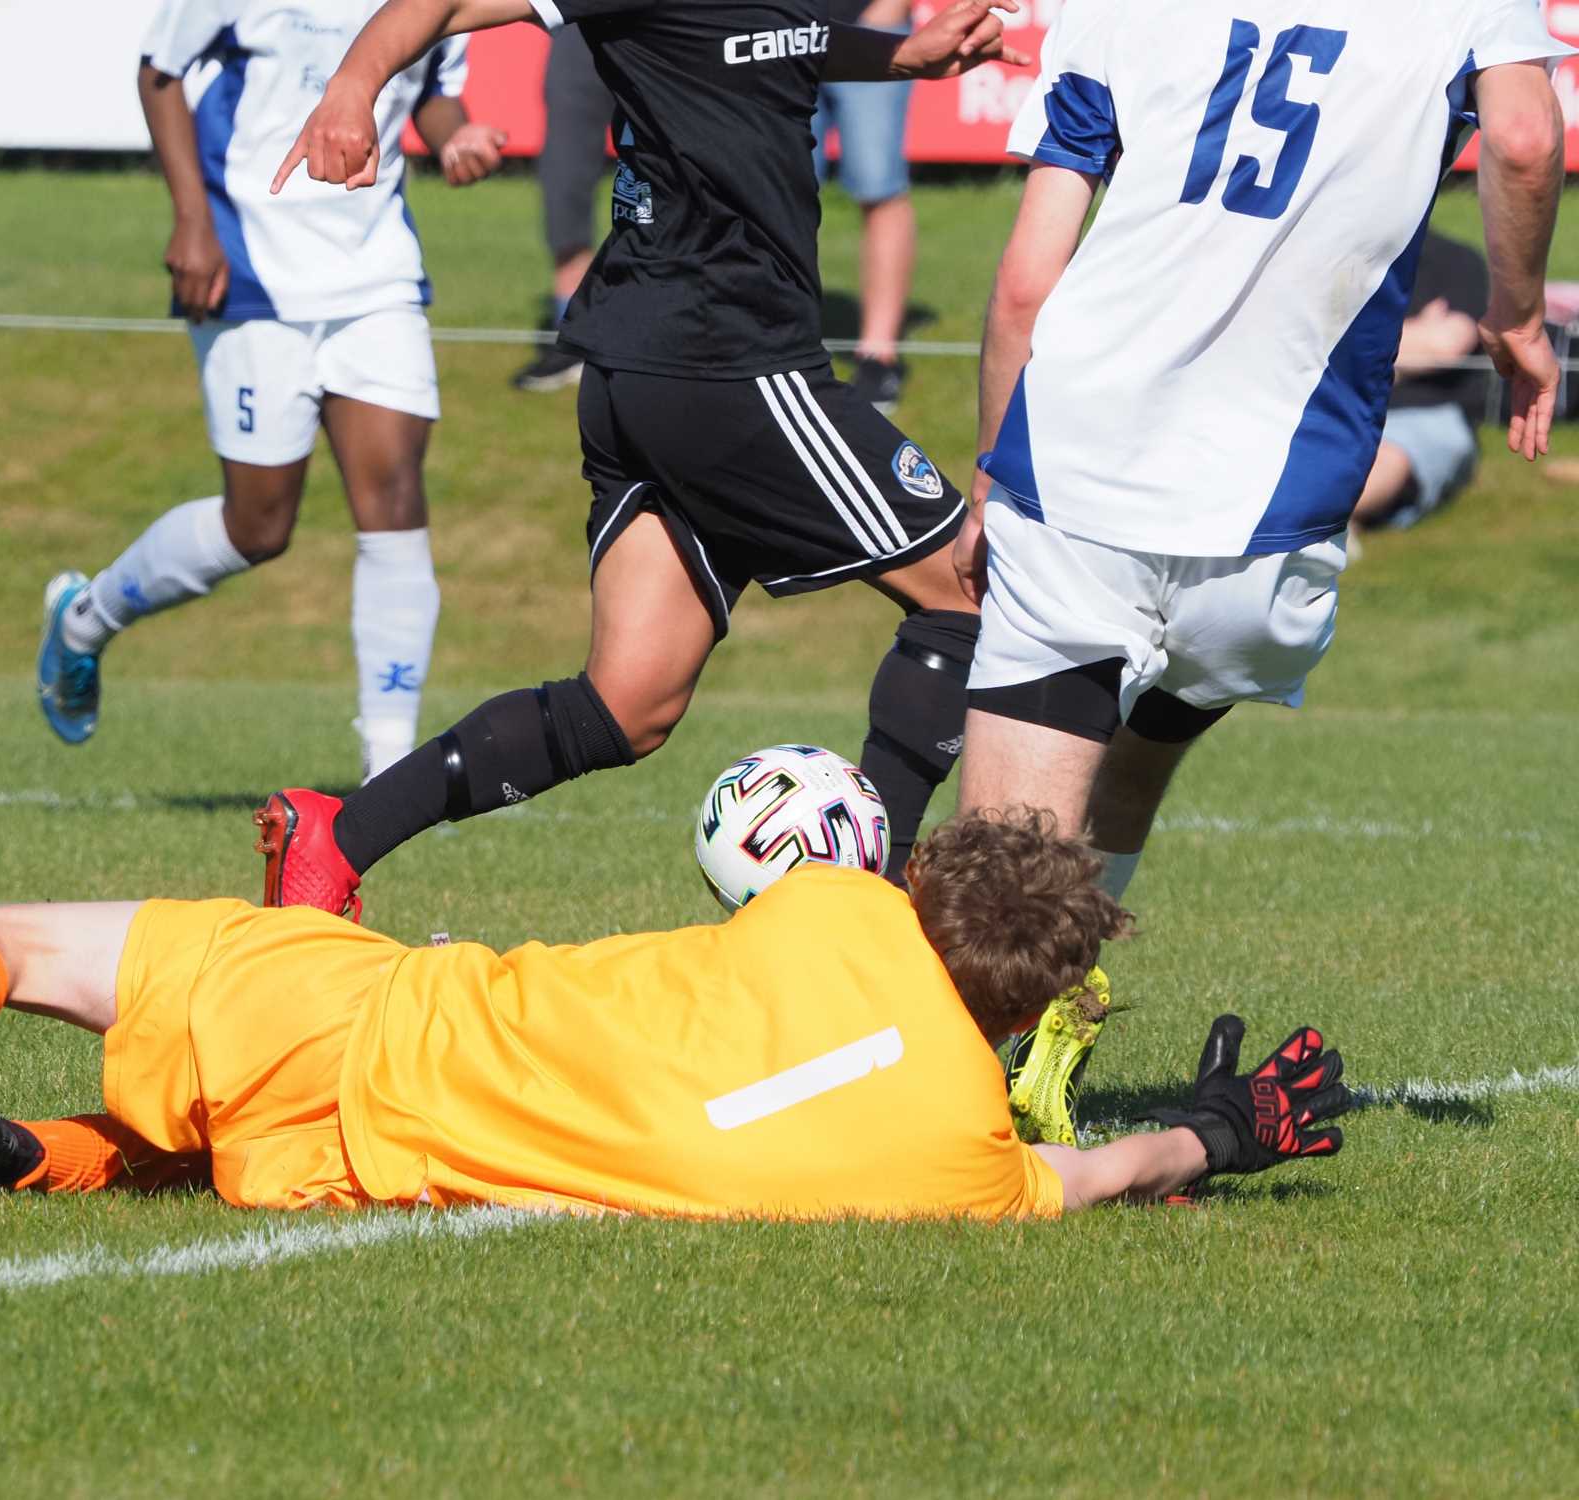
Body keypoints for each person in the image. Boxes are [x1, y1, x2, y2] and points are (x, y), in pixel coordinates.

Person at [252, 0, 1031, 930]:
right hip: (726, 361)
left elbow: (774, 43)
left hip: (649, 364)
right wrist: (352, 87)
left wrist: (903, 56)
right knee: (969, 590)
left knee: (627, 704)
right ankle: (869, 926)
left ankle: (335, 839)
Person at [0, 812, 1354, 1218]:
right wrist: (1210, 1136)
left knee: (10, 939)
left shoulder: (827, 897)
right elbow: (1078, 1184)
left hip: (372, 1006)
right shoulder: (957, 1163)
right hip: (369, 1164)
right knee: (162, 1170)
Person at [951, 0, 1570, 1091]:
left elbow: (1020, 281)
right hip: (1269, 511)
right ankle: (1057, 1034)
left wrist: (993, 470)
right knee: (1156, 723)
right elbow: (1522, 141)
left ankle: (952, 1100)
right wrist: (1512, 314)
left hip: (1079, 465)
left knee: (1003, 868)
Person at [35, 0, 507, 782]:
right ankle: (85, 620)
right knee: (257, 526)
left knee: (394, 497)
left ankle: (390, 771)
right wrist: (192, 219)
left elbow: (429, 86)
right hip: (251, 269)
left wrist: (453, 133)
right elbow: (159, 74)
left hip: (374, 274)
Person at [815, 0, 921, 413]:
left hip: (870, 23)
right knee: (775, 189)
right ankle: (773, 342)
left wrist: (890, 8)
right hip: (780, 29)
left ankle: (879, 356)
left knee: (880, 186)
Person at [1352, 233, 1491, 533]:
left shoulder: (1453, 259)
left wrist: (1346, 350)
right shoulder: (1331, 255)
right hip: (1336, 402)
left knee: (1385, 457)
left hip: (1424, 411)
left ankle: (1323, 519)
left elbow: (1444, 345)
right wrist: (1408, 344)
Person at [511, 27, 617, 393]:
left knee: (687, 164)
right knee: (565, 172)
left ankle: (694, 324)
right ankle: (571, 330)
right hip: (582, 22)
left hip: (683, 18)